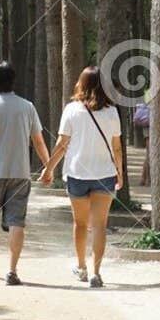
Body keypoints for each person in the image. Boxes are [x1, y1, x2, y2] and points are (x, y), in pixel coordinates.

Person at [40, 66, 123, 289]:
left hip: (76, 173)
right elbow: (117, 148)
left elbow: (62, 144)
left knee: (80, 223)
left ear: (81, 84)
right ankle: (96, 272)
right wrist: (120, 174)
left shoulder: (71, 109)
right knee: (99, 226)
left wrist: (48, 169)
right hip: (105, 174)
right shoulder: (112, 112)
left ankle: (81, 266)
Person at [0, 60, 51, 285]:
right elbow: (38, 140)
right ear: (13, 80)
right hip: (20, 172)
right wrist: (48, 167)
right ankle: (12, 271)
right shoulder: (27, 106)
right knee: (17, 221)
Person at [133, 98, 150, 186]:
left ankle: (143, 178)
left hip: (147, 127)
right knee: (150, 155)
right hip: (150, 128)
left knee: (148, 155)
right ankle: (147, 179)